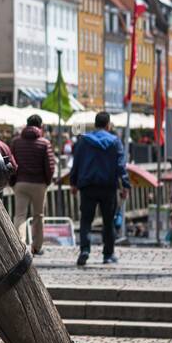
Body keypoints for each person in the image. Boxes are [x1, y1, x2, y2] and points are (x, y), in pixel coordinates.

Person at [69, 112, 129, 266]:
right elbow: (121, 166)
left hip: (87, 186)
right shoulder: (115, 142)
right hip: (108, 187)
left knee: (86, 220)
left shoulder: (84, 141)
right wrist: (125, 185)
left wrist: (73, 183)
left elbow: (77, 163)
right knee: (108, 221)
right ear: (108, 124)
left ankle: (84, 250)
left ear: (95, 124)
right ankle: (108, 255)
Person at [9, 114, 57, 255]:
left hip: (21, 183)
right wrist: (47, 181)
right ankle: (37, 246)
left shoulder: (16, 142)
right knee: (38, 216)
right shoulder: (44, 143)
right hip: (39, 184)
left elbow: (11, 163)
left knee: (20, 215)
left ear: (27, 124)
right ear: (40, 126)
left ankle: (20, 245)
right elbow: (50, 166)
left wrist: (13, 181)